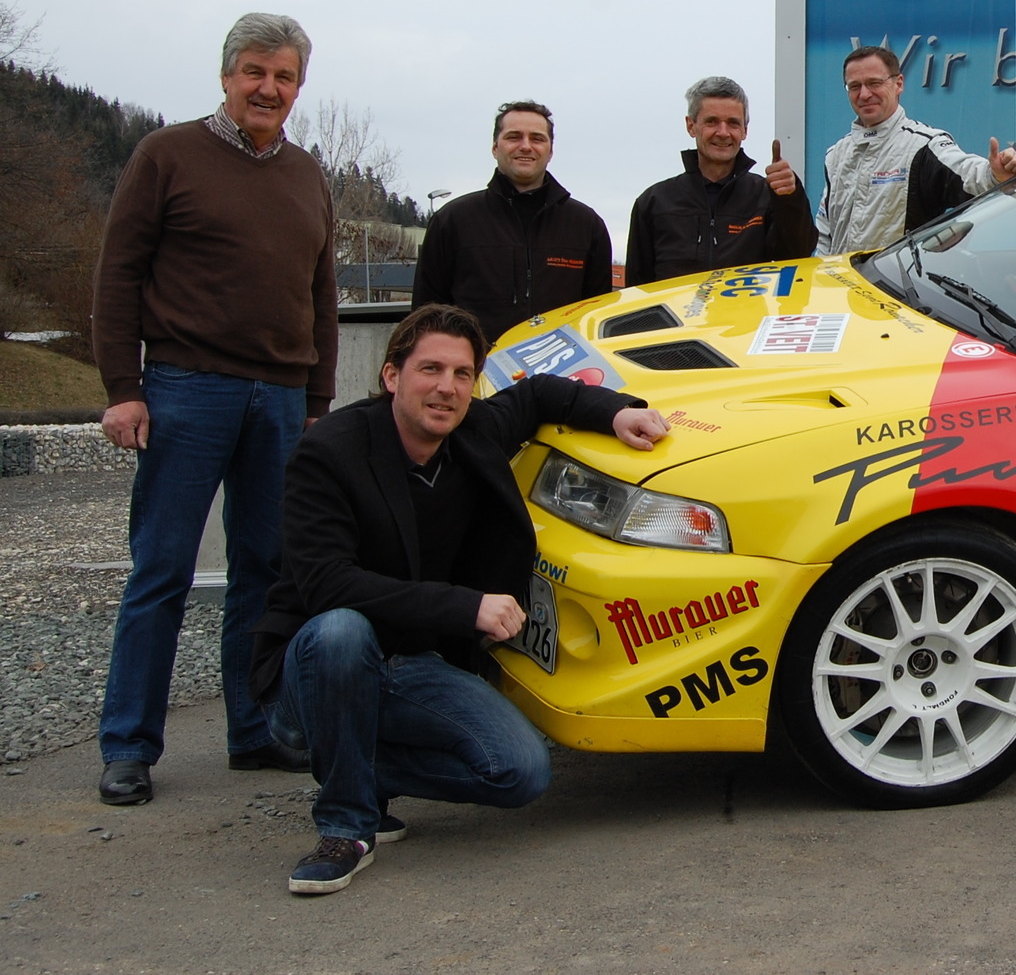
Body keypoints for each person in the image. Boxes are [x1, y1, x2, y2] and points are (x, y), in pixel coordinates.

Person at [250, 303, 669, 895]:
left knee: (521, 772)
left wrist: (620, 412)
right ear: (391, 376)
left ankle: (354, 761)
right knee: (343, 628)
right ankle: (346, 826)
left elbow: (543, 394)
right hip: (316, 668)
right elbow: (325, 585)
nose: (446, 388)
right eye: (430, 370)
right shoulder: (330, 453)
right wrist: (465, 606)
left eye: (463, 374)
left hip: (410, 667)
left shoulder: (472, 432)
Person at [91, 12, 337, 807]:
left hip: (280, 399)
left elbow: (322, 295)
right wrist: (122, 390)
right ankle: (128, 745)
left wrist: (317, 401)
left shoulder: (306, 173)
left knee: (266, 574)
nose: (270, 88)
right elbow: (118, 275)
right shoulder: (166, 156)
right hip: (186, 387)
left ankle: (254, 730)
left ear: (299, 87)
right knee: (161, 570)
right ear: (227, 76)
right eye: (256, 72)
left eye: (285, 77)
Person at [411, 101, 613, 344]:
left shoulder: (586, 226)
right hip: (476, 372)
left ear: (550, 151)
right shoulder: (453, 221)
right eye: (514, 137)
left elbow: (598, 317)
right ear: (495, 148)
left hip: (563, 375)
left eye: (537, 138)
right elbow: (425, 317)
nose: (526, 146)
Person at [817, 46, 1016, 254]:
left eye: (874, 83)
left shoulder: (924, 145)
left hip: (897, 288)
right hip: (840, 287)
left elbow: (968, 173)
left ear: (898, 84)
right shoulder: (836, 154)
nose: (864, 94)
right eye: (854, 86)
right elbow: (825, 232)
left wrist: (995, 175)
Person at [623, 75, 816, 284]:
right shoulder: (653, 203)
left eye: (733, 123)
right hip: (676, 318)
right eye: (712, 122)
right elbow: (637, 290)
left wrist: (789, 198)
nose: (723, 133)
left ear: (745, 130)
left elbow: (798, 255)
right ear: (691, 126)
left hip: (747, 316)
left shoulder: (767, 196)